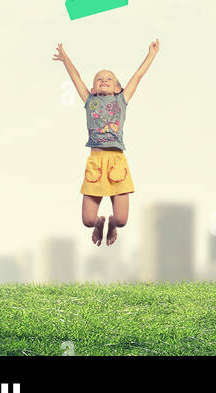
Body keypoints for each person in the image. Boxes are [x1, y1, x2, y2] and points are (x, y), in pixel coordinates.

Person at [53, 39, 159, 247]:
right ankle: (99, 222)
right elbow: (76, 78)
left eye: (109, 78)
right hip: (95, 162)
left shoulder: (121, 100)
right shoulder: (89, 100)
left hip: (117, 162)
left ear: (118, 88)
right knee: (88, 221)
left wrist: (152, 54)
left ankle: (110, 223)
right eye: (99, 78)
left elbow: (137, 76)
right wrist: (65, 59)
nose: (103, 79)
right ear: (92, 89)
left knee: (121, 221)